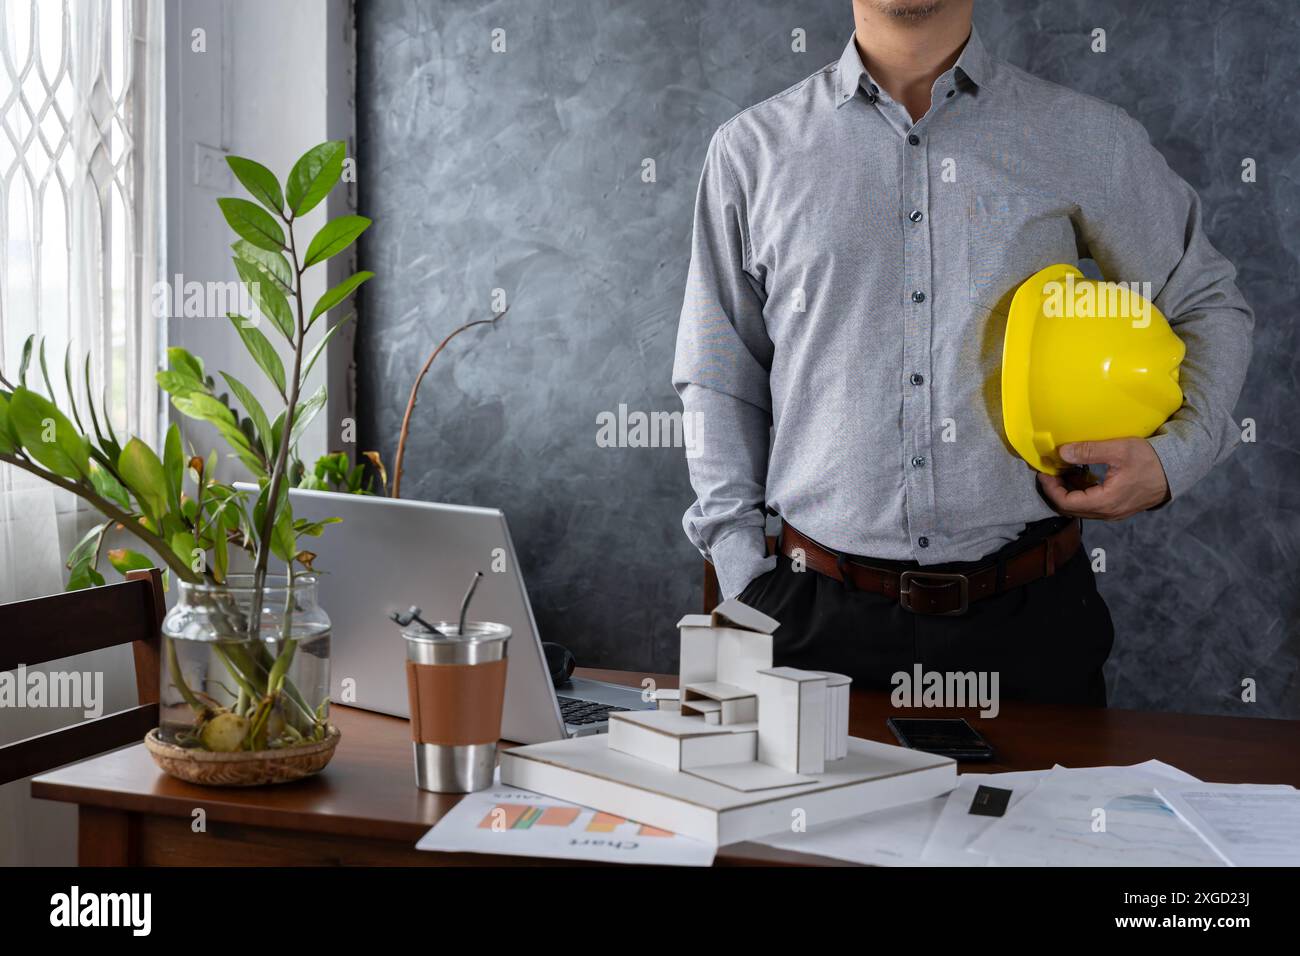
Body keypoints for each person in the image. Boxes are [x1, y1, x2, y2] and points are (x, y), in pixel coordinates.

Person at [671, 0, 1252, 706]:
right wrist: (742, 575)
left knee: (1044, 820)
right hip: (808, 624)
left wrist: (1173, 460)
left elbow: (1206, 302)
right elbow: (716, 370)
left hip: (1029, 624)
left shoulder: (1086, 138)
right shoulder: (751, 152)